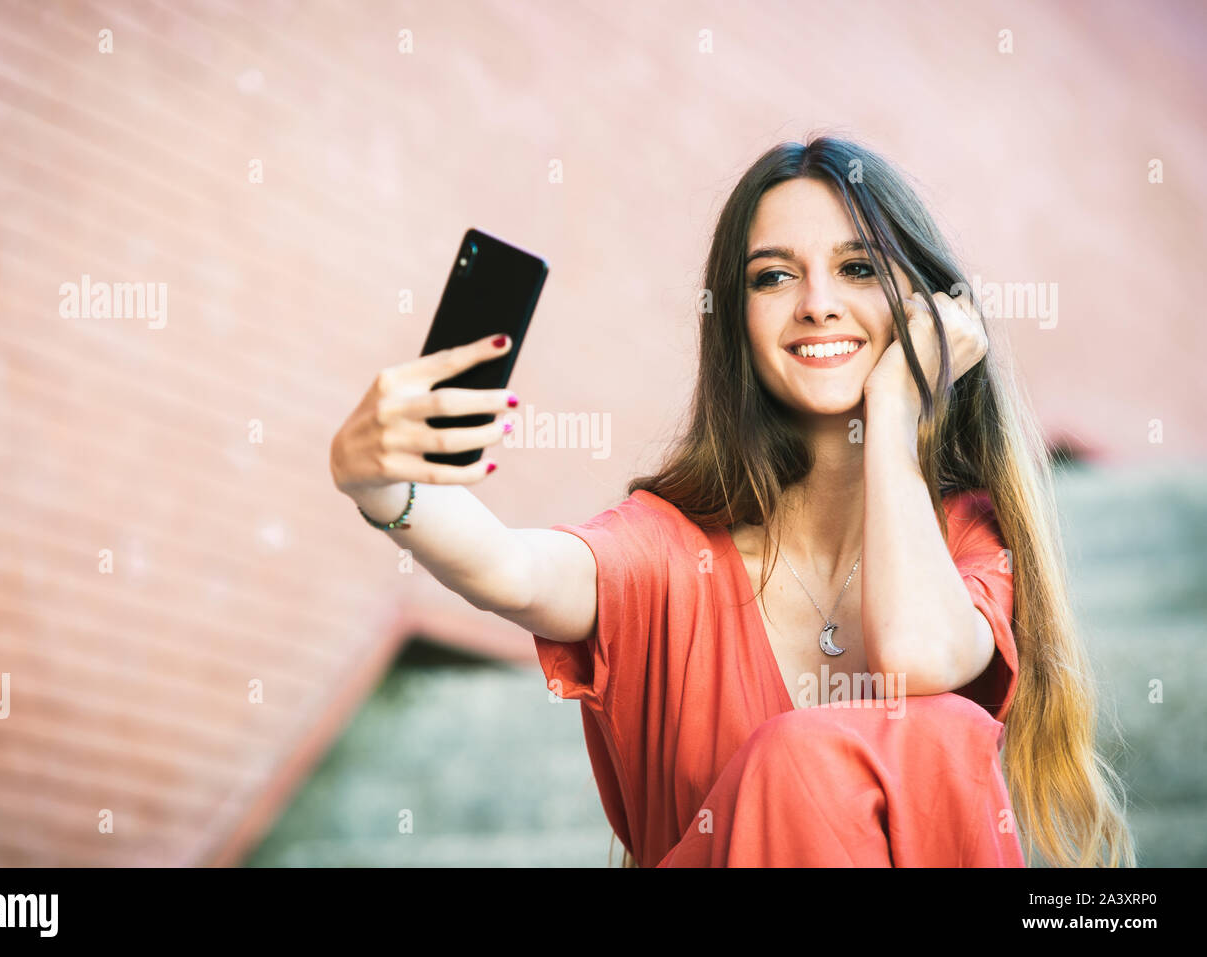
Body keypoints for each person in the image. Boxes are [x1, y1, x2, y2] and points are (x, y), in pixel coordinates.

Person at [329, 135, 1135, 868]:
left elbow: (918, 657)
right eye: (774, 276)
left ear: (924, 309)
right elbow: (514, 570)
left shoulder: (968, 542)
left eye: (859, 268)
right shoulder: (674, 554)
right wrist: (380, 481)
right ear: (736, 322)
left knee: (925, 729)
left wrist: (894, 409)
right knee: (800, 755)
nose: (816, 302)